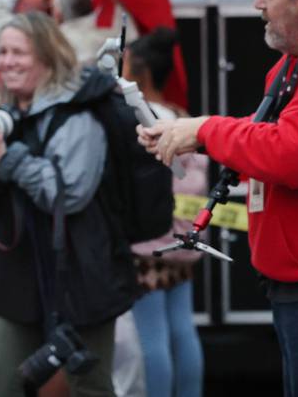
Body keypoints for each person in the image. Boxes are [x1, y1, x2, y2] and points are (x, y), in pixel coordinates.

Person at [139, 0, 298, 396]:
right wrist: (191, 135)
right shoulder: (290, 67)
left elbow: (290, 153)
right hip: (291, 284)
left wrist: (204, 131)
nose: (256, 4)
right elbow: (267, 137)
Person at [0, 12, 136, 397]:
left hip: (80, 274)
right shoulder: (5, 112)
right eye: (2, 52)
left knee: (89, 385)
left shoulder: (79, 113)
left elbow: (68, 194)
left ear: (48, 58)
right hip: (18, 274)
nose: (7, 61)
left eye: (19, 52)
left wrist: (6, 160)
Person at [119, 28, 206, 397]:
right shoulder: (180, 117)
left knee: (150, 337)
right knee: (182, 328)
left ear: (139, 75)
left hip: (149, 246)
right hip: (186, 241)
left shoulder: (142, 124)